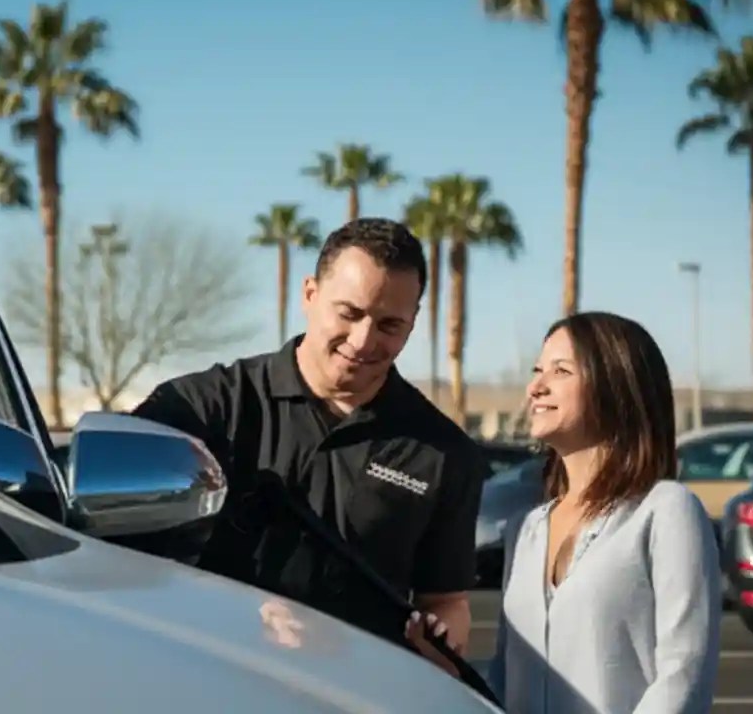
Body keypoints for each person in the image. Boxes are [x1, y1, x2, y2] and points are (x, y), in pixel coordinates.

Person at [129, 217, 489, 662]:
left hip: (359, 694)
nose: (363, 340)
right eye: (349, 313)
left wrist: (439, 641)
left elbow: (447, 602)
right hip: (202, 675)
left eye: (389, 325)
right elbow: (120, 559)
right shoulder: (199, 409)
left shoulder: (442, 453)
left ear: (412, 324)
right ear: (310, 295)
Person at [488, 312, 722, 713]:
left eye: (560, 371)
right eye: (537, 371)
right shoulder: (523, 530)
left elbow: (683, 676)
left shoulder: (665, 511)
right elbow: (503, 679)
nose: (535, 387)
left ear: (616, 387)